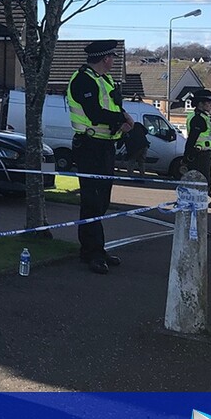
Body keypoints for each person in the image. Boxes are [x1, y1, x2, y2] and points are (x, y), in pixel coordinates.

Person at [66, 39, 133, 275]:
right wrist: (121, 122)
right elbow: (94, 113)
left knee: (102, 200)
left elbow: (114, 106)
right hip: (89, 145)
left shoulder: (104, 79)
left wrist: (124, 117)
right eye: (112, 57)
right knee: (92, 201)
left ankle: (97, 249)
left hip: (105, 145)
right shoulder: (83, 79)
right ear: (105, 58)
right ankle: (90, 252)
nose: (114, 61)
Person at [184, 89, 211, 185]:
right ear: (200, 103)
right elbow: (192, 138)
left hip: (206, 155)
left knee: (204, 183)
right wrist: (186, 156)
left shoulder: (205, 117)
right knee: (200, 184)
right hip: (198, 156)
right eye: (209, 102)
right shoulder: (198, 119)